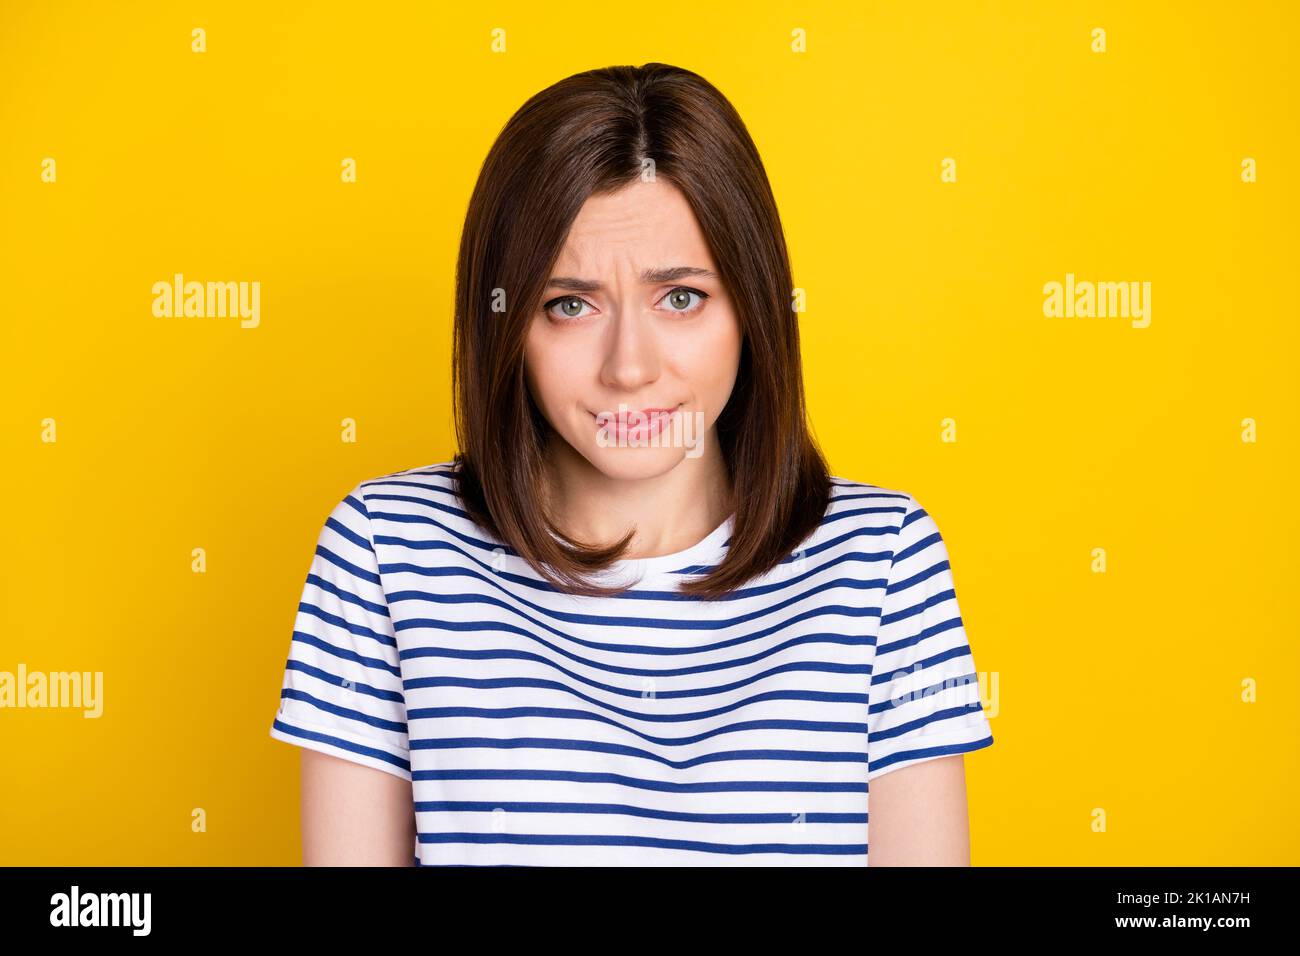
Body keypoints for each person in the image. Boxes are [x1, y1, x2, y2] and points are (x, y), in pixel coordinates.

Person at [269, 62, 994, 866]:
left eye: (680, 296)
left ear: (753, 305)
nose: (629, 367)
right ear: (507, 325)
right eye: (569, 304)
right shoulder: (386, 550)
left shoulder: (883, 560)